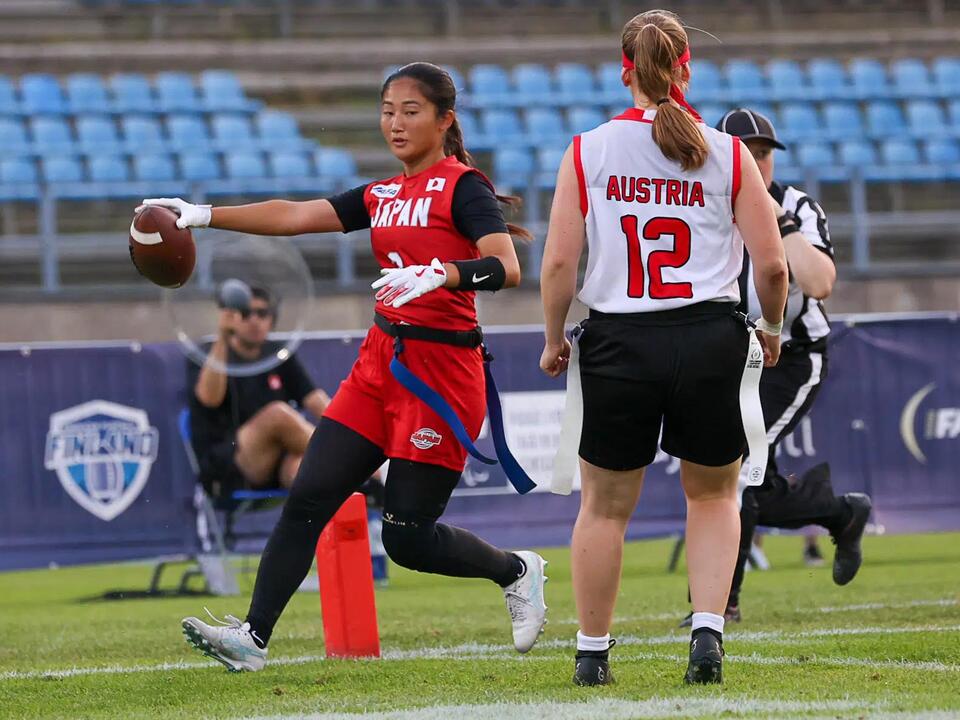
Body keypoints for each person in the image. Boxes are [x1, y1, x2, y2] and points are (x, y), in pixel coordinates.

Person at [139, 61, 548, 672]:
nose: (396, 123)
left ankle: (515, 569)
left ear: (445, 120)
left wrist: (443, 273)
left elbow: (507, 268)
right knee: (309, 496)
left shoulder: (464, 188)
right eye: (387, 111)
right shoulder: (382, 194)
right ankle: (252, 637)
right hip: (380, 362)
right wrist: (204, 215)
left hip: (440, 376)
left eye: (411, 111)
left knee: (407, 537)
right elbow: (295, 215)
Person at [539, 10, 788, 686]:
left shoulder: (588, 149)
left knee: (605, 507)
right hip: (709, 335)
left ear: (625, 71)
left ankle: (592, 652)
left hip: (622, 339)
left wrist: (554, 337)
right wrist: (771, 328)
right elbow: (771, 267)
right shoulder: (729, 151)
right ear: (686, 69)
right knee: (712, 496)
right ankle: (707, 634)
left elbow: (560, 263)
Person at [685, 108, 872, 625]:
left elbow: (820, 282)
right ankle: (839, 512)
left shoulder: (796, 206)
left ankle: (721, 604)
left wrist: (778, 220)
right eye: (745, 151)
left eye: (763, 152)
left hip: (791, 357)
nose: (757, 161)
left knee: (737, 468)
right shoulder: (701, 205)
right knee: (724, 473)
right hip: (731, 358)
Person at [188, 284, 331, 497]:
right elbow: (210, 399)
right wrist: (223, 337)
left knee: (304, 471)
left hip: (276, 462)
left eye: (262, 313)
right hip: (228, 465)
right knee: (277, 414)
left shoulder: (279, 355)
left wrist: (352, 429)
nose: (254, 320)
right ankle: (360, 465)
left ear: (272, 318)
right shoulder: (208, 355)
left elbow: (315, 399)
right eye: (245, 313)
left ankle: (348, 517)